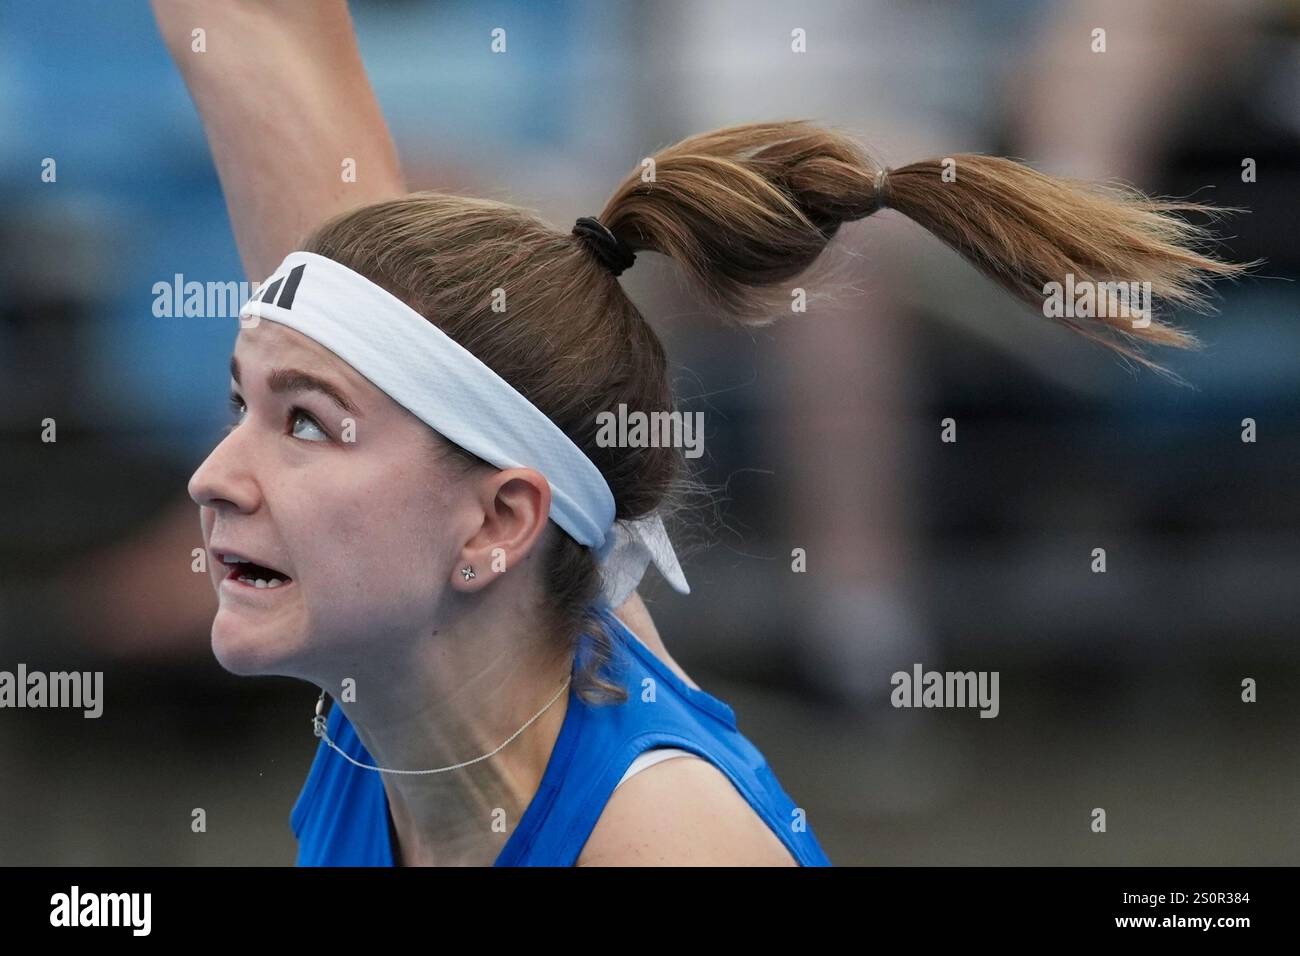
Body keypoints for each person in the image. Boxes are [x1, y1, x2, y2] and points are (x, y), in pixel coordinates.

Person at [159, 1, 1242, 866]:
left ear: (498, 520)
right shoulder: (457, 661)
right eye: (239, 404)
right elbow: (260, 26)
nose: (214, 477)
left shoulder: (664, 840)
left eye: (306, 422)